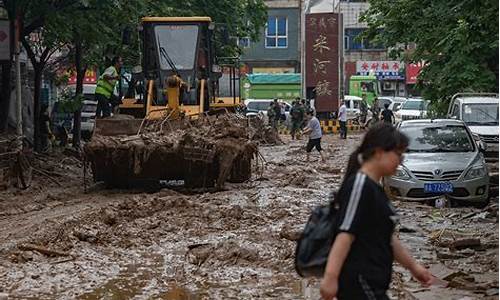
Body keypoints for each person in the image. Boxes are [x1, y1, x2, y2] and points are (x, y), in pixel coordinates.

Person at [320, 123, 433, 300]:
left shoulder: (375, 189)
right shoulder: (360, 186)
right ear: (379, 152)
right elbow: (345, 234)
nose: (401, 160)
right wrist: (330, 278)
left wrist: (414, 267)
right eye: (398, 154)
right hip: (359, 282)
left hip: (373, 283)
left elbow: (387, 236)